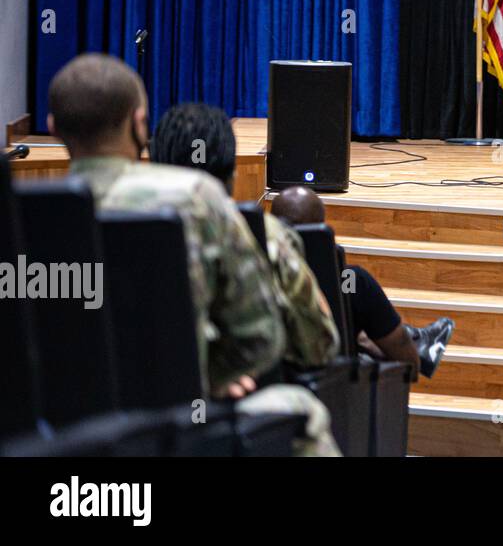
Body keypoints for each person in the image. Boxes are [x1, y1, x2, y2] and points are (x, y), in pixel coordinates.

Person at [48, 54, 338, 455]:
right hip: (174, 422)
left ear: (52, 128)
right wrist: (208, 376)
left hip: (56, 429)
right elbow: (260, 337)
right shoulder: (195, 198)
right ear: (138, 123)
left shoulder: (20, 213)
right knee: (305, 412)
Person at [149, 102, 339, 370]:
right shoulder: (268, 235)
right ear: (232, 174)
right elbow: (321, 346)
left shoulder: (113, 230)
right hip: (240, 396)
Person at [271, 185, 453, 378]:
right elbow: (409, 365)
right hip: (332, 384)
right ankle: (418, 341)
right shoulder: (348, 279)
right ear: (320, 230)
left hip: (268, 381)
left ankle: (413, 338)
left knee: (356, 321)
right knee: (356, 311)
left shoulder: (253, 274)